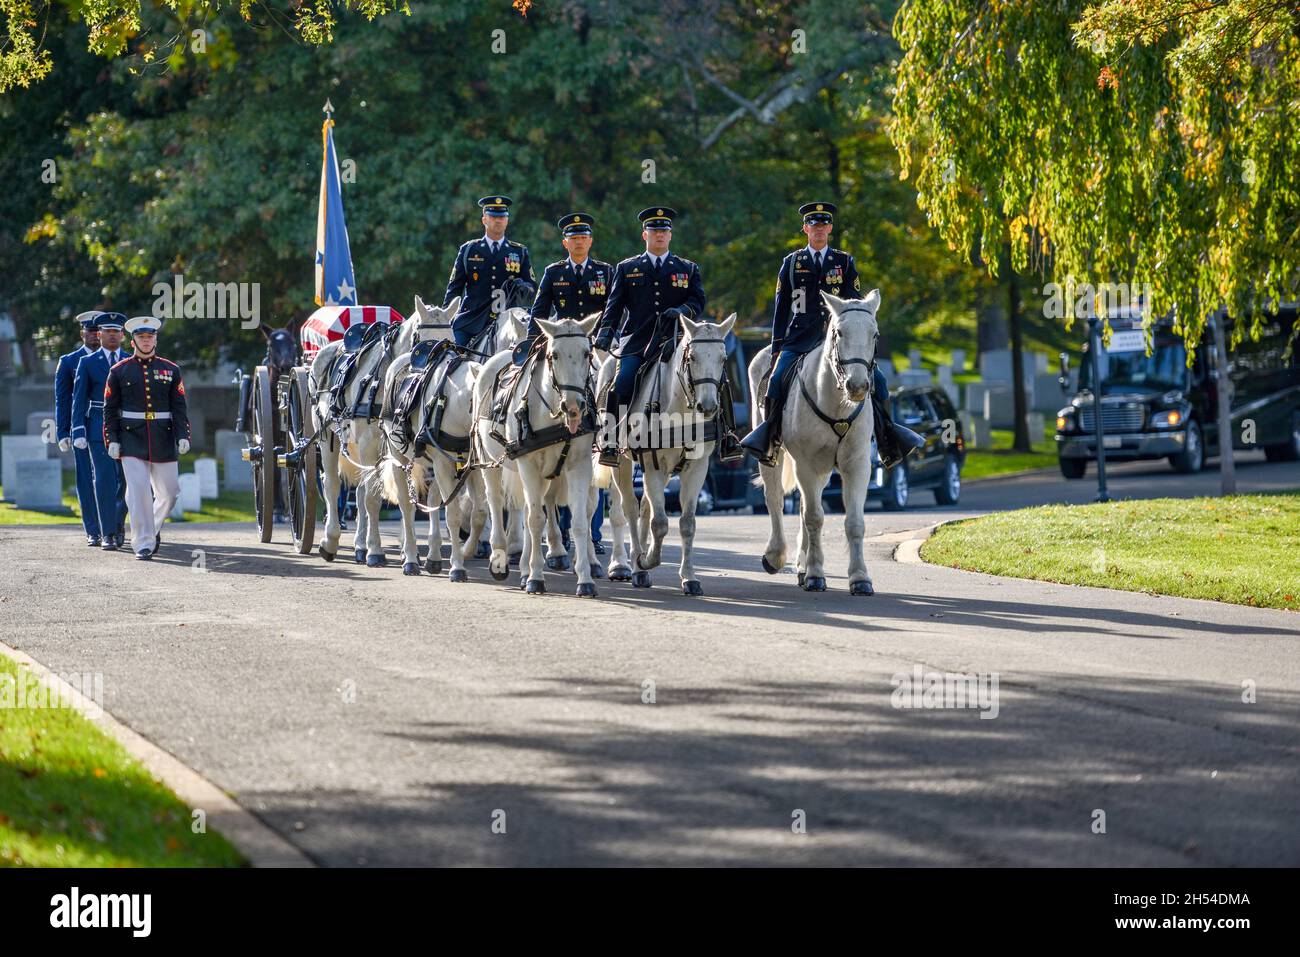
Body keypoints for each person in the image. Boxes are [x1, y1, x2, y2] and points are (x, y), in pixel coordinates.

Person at [739, 201, 925, 467]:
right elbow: (781, 310)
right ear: (805, 228)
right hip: (801, 338)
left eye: (823, 225)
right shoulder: (791, 263)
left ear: (830, 228)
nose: (818, 229)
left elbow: (857, 303)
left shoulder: (844, 261)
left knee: (880, 382)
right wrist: (777, 346)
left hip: (841, 341)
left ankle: (888, 439)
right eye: (813, 225)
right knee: (776, 380)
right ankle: (770, 437)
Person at [525, 212, 615, 551]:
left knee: (613, 389)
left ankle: (611, 438)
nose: (579, 242)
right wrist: (537, 342)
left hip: (594, 348)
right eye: (573, 238)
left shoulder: (605, 272)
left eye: (584, 237)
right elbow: (539, 312)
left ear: (590, 241)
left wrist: (604, 342)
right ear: (566, 243)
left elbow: (613, 311)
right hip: (561, 349)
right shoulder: (554, 273)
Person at [592, 207, 707, 467]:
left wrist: (682, 310)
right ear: (645, 234)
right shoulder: (627, 268)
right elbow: (615, 306)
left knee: (710, 377)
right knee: (621, 384)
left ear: (670, 235)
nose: (660, 235)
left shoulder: (686, 268)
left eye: (664, 231)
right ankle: (610, 441)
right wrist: (605, 334)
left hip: (675, 340)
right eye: (654, 231)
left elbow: (698, 300)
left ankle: (725, 436)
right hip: (638, 343)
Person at [104, 316, 190, 560]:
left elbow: (179, 406)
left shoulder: (171, 369)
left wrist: (183, 435)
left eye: (150, 336)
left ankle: (149, 527)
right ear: (133, 342)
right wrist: (112, 439)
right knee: (139, 489)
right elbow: (110, 409)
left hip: (163, 437)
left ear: (156, 339)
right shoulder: (119, 371)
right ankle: (142, 543)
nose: (146, 341)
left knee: (170, 493)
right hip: (131, 438)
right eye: (141, 337)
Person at [442, 195, 535, 348]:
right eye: (493, 216)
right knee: (450, 358)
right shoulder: (469, 250)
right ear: (484, 219)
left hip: (508, 321)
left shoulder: (519, 251)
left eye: (502, 217)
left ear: (507, 220)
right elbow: (454, 289)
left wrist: (521, 286)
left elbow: (532, 288)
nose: (498, 220)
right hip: (471, 320)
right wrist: (446, 316)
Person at [70, 313, 129, 550]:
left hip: (127, 427)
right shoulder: (88, 362)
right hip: (97, 426)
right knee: (104, 479)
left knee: (125, 481)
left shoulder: (130, 360)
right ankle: (107, 533)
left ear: (123, 336)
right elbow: (78, 399)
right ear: (99, 334)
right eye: (107, 331)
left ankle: (118, 523)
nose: (112, 335)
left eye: (116, 331)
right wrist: (77, 430)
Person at [55, 311, 102, 545]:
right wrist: (63, 432)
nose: (94, 335)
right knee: (86, 479)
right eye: (90, 331)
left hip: (107, 427)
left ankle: (111, 527)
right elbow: (63, 400)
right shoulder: (69, 362)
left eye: (97, 331)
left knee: (111, 479)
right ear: (82, 332)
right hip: (81, 428)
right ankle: (93, 529)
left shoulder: (114, 359)